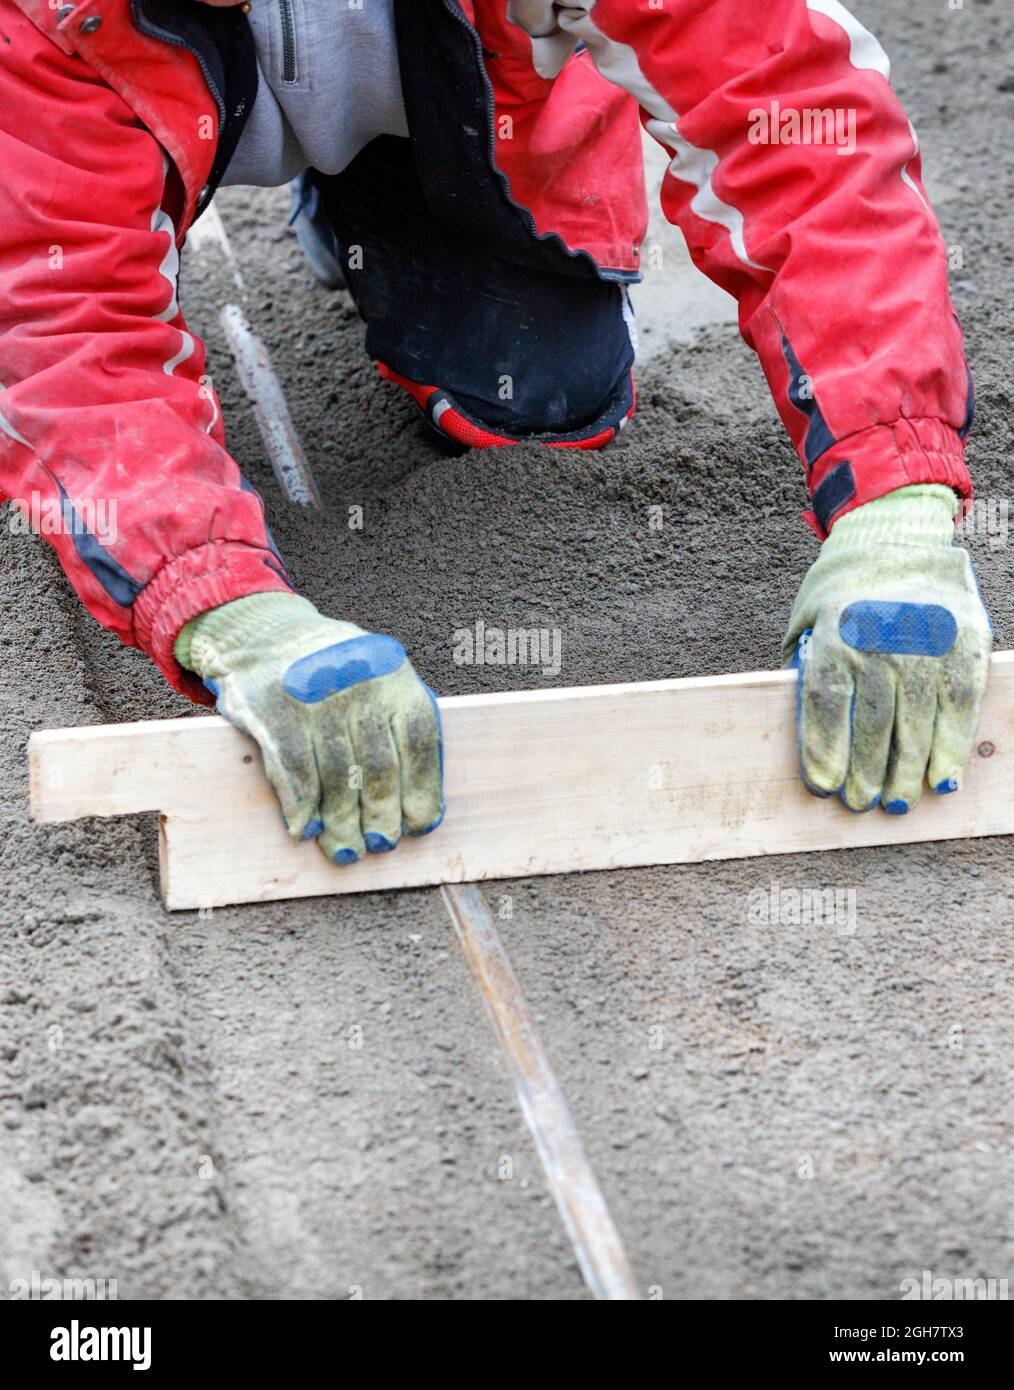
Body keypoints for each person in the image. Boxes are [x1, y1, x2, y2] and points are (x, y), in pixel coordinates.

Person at [0, 0, 990, 866]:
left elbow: (799, 131)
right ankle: (268, 156)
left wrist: (895, 502)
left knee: (541, 393)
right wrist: (223, 605)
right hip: (148, 92)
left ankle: (383, 201)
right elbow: (61, 331)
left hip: (471, 81)